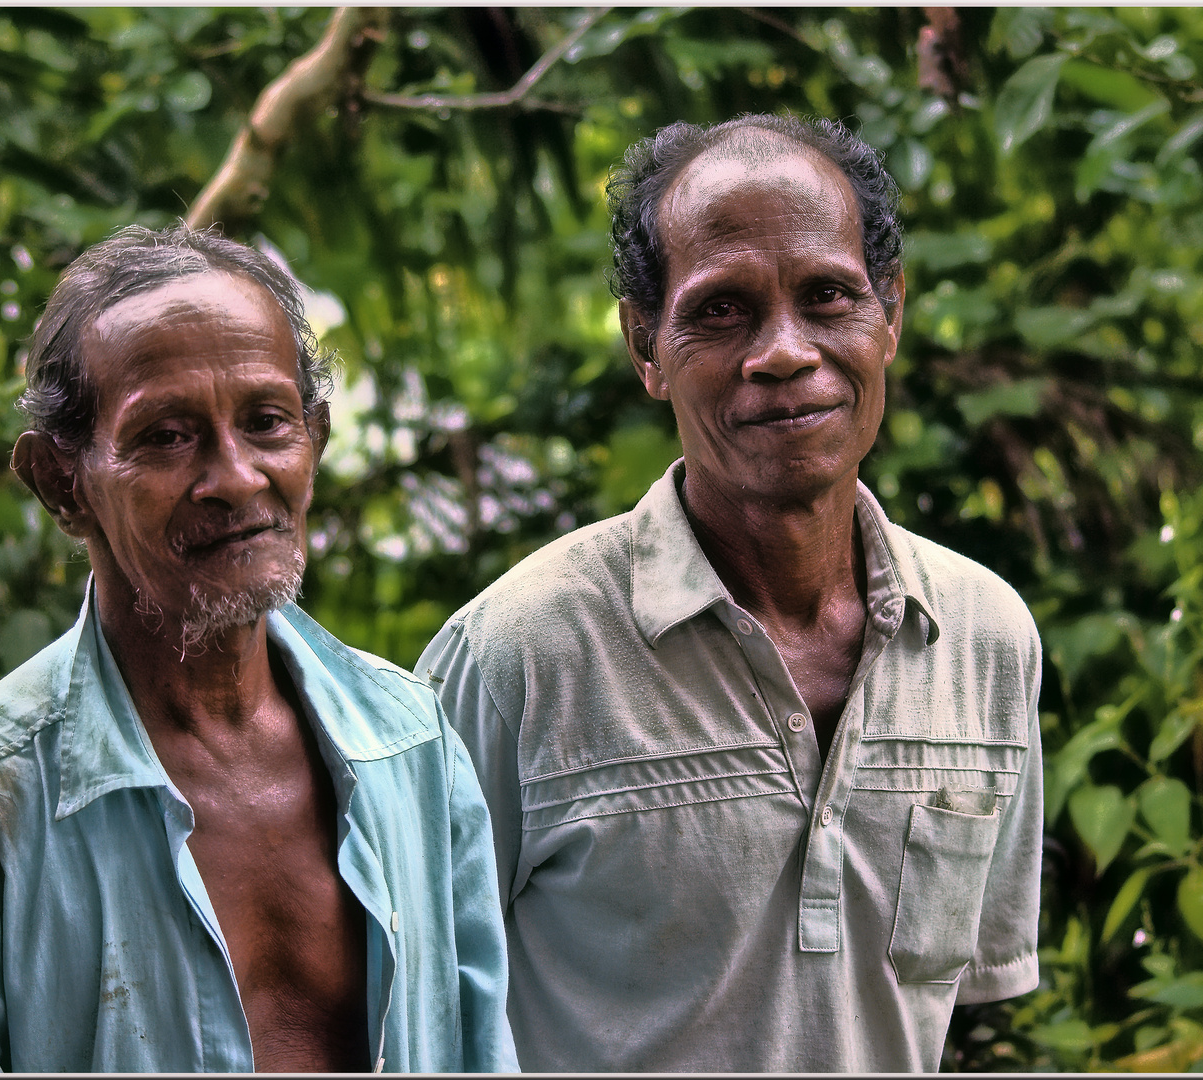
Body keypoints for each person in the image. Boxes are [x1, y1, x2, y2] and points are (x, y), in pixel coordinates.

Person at [417, 115, 1044, 1072]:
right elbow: (405, 1010)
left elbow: (952, 1013)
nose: (784, 351)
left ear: (891, 315)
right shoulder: (517, 656)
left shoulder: (983, 642)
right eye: (720, 311)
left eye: (829, 296)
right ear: (644, 345)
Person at [0, 225, 518, 1073]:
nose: (236, 476)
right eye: (166, 436)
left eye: (267, 422)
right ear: (62, 483)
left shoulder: (413, 749)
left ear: (315, 437)